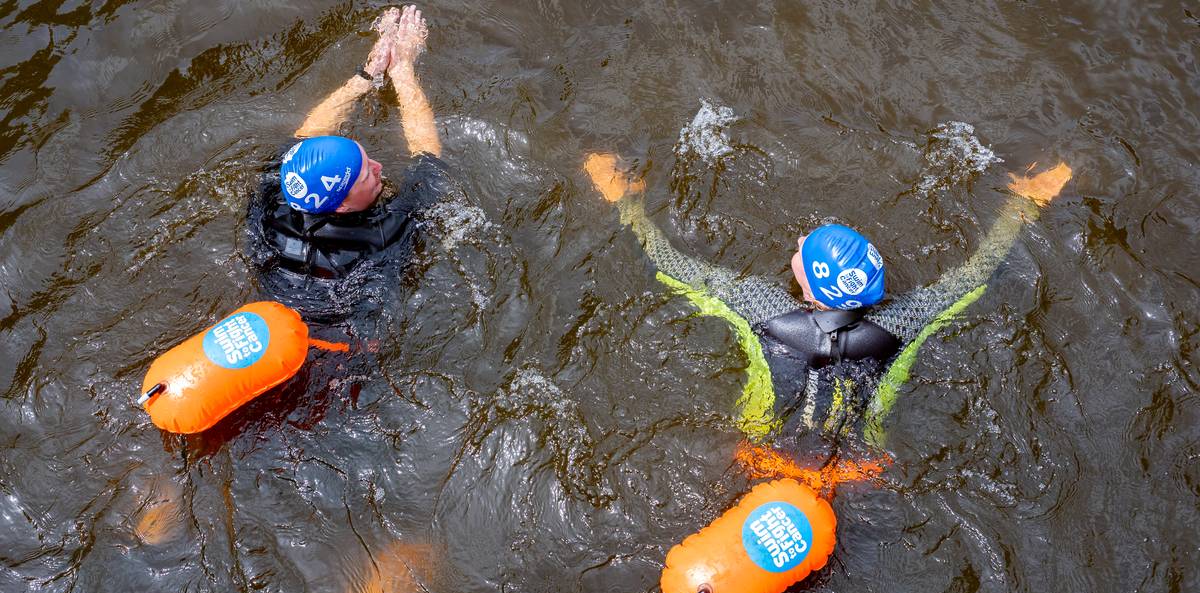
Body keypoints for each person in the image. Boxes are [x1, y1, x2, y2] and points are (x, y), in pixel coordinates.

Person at [582, 149, 1072, 452]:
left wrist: (626, 202)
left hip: (759, 452)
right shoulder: (900, 324)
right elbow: (974, 277)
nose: (796, 248)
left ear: (812, 285)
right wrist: (1019, 207)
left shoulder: (763, 310)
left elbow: (673, 267)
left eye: (802, 251)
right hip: (858, 469)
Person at [247, 5, 466, 320]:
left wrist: (368, 74)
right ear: (341, 207)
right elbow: (427, 156)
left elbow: (308, 135)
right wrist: (403, 70)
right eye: (366, 175)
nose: (378, 167)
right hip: (339, 339)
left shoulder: (275, 194)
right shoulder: (381, 233)